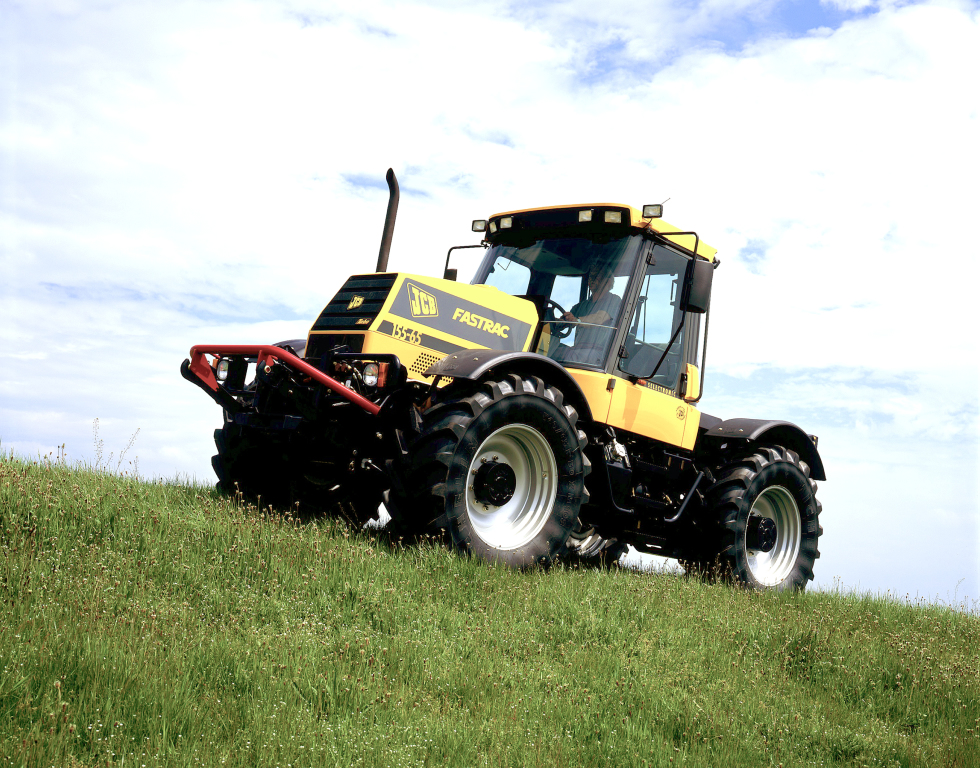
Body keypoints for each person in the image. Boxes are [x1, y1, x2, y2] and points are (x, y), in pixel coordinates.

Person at [554, 261, 621, 366]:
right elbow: (566, 322)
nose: (591, 279)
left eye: (596, 276)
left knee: (570, 357)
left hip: (600, 356)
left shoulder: (614, 301)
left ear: (607, 281)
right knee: (550, 351)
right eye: (590, 276)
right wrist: (555, 322)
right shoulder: (580, 306)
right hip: (578, 352)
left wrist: (577, 320)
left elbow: (600, 318)